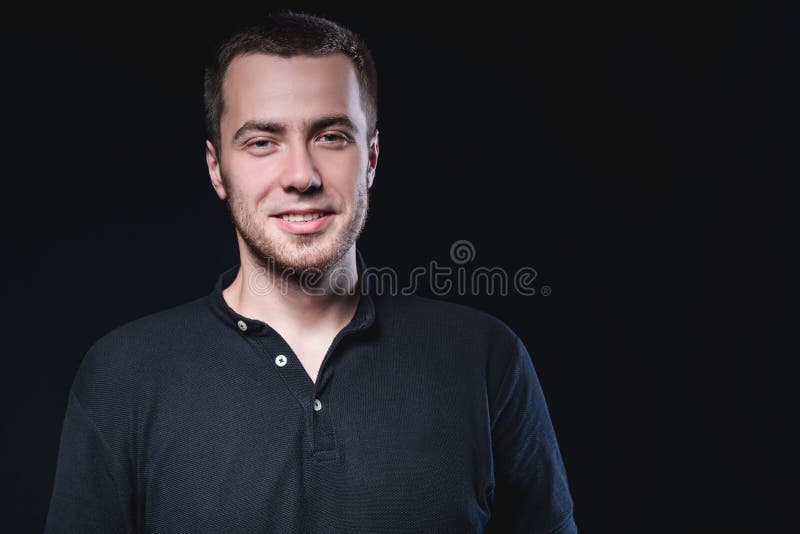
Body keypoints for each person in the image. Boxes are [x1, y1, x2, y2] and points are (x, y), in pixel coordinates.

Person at [44, 11, 577, 533]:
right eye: (262, 142)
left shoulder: (485, 360)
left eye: (330, 136)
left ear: (370, 157)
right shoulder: (124, 377)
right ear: (216, 168)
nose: (301, 175)